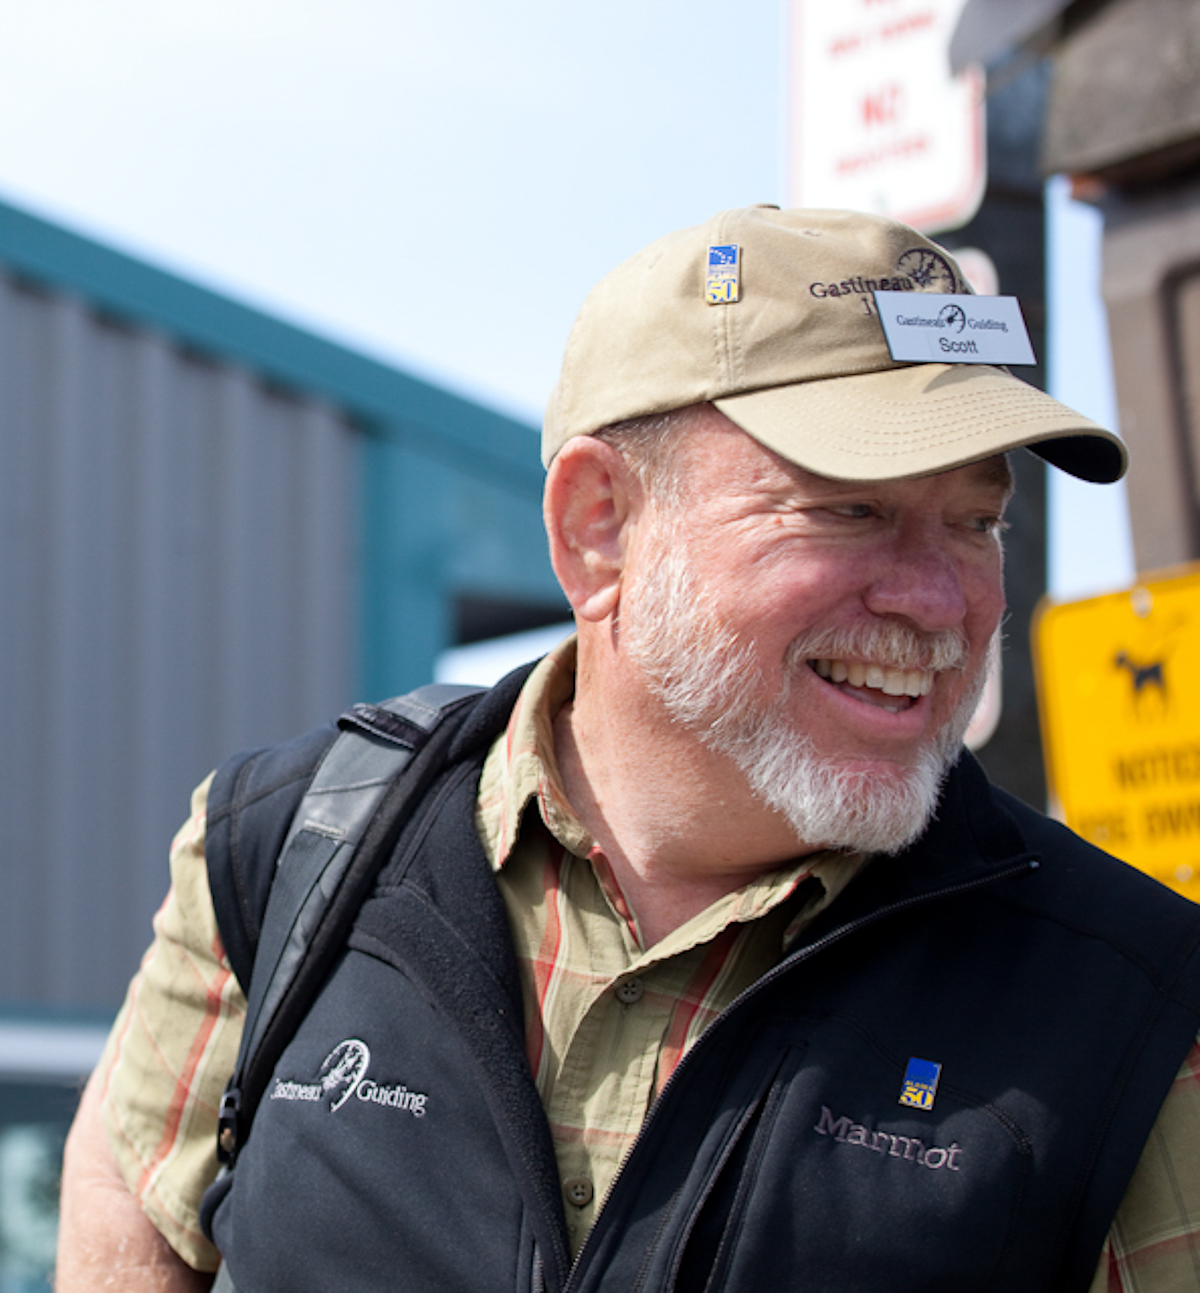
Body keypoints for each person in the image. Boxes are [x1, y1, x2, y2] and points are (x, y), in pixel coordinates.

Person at [58, 207, 1200, 1291]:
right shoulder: (292, 844)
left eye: (977, 521)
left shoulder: (1137, 1007)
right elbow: (127, 1190)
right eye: (849, 510)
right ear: (597, 526)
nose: (940, 600)